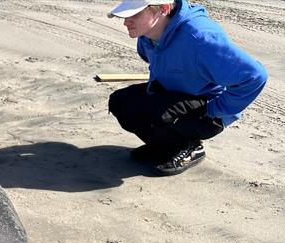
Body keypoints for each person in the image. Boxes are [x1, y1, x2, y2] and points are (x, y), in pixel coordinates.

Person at [106, 0, 268, 175]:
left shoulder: (200, 38)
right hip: (174, 95)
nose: (126, 22)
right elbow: (151, 58)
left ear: (164, 8)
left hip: (207, 109)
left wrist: (214, 110)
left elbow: (255, 76)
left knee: (157, 113)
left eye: (135, 14)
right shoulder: (147, 34)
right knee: (120, 102)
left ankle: (190, 147)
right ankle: (165, 147)